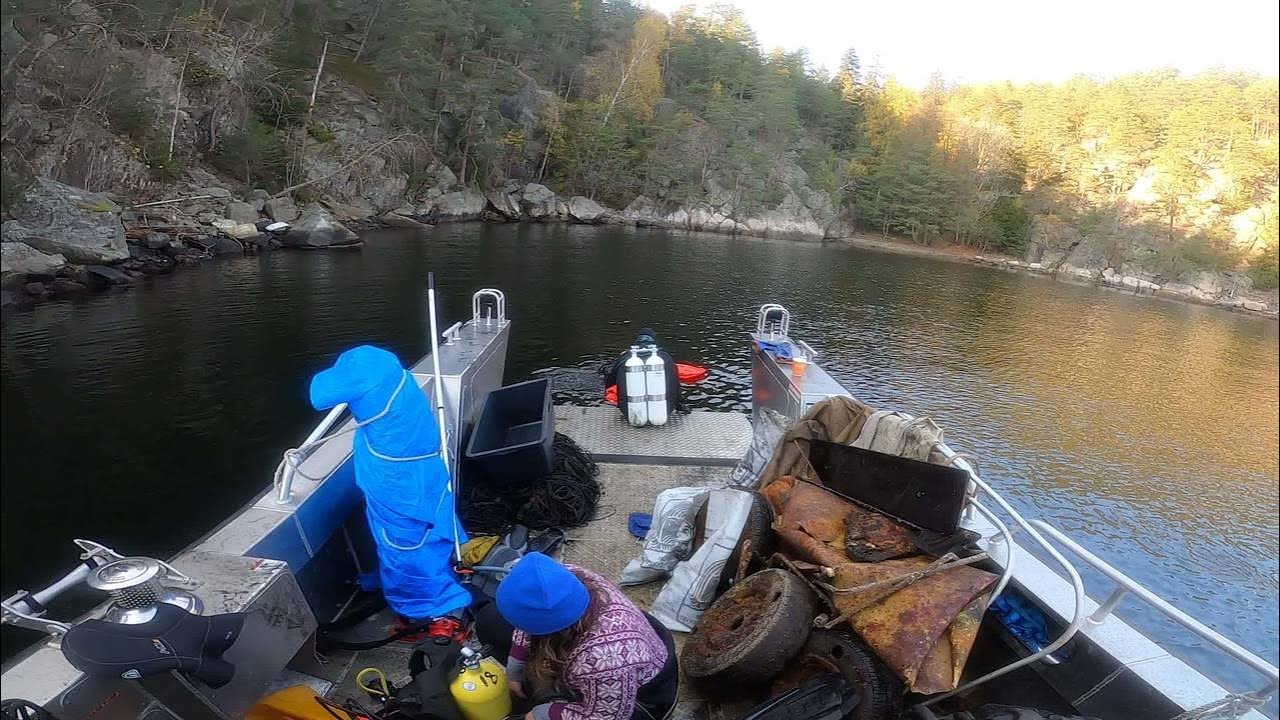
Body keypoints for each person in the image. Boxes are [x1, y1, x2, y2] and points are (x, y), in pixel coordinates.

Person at [496, 553, 678, 720]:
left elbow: (607, 716)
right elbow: (526, 622)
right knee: (490, 620)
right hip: (619, 657)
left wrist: (545, 713)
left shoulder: (605, 658)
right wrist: (514, 671)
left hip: (643, 695)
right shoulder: (561, 577)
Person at [599, 328, 685, 418]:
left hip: (628, 411)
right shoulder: (665, 358)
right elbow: (675, 384)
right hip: (665, 410)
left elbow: (610, 378)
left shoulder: (625, 357)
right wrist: (680, 405)